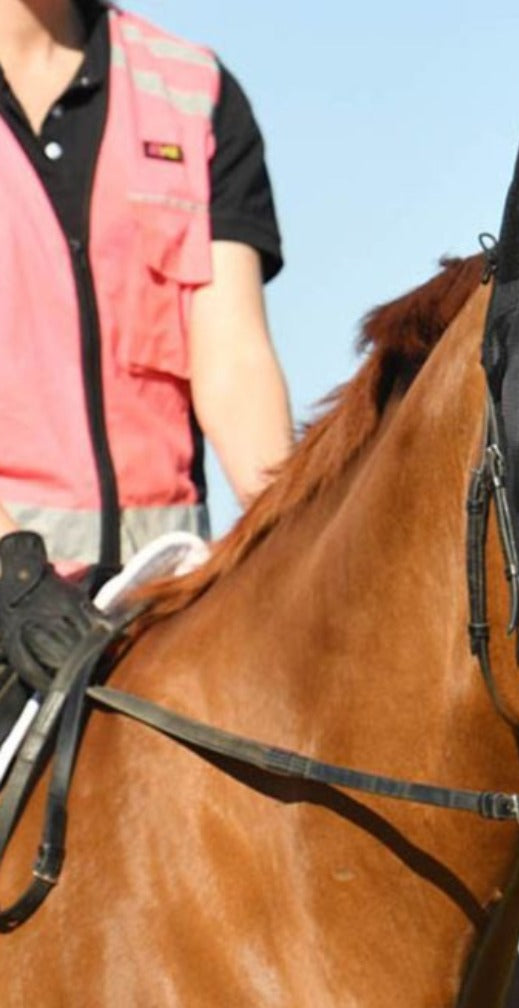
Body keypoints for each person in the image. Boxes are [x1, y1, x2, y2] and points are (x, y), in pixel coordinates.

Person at [0, 0, 292, 719]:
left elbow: (233, 361)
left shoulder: (193, 92)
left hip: (157, 613)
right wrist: (11, 568)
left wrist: (293, 543)